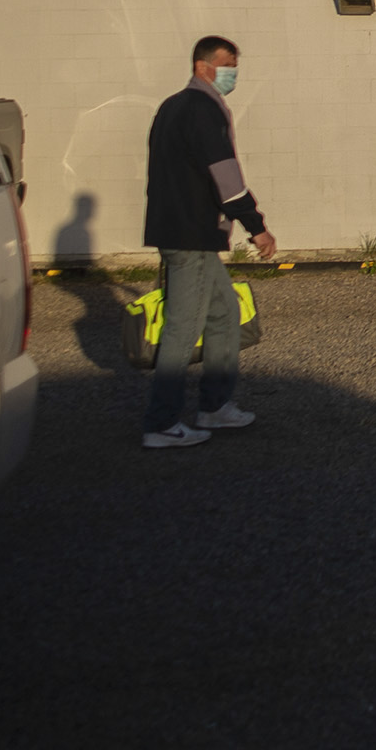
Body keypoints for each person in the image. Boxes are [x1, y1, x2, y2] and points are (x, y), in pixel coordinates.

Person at [141, 35, 275, 450]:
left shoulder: (172, 106)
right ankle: (162, 424)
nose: (233, 74)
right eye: (227, 66)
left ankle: (215, 406)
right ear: (203, 67)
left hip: (182, 232)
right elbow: (225, 176)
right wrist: (256, 225)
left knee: (223, 313)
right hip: (191, 236)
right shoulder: (201, 110)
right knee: (183, 328)